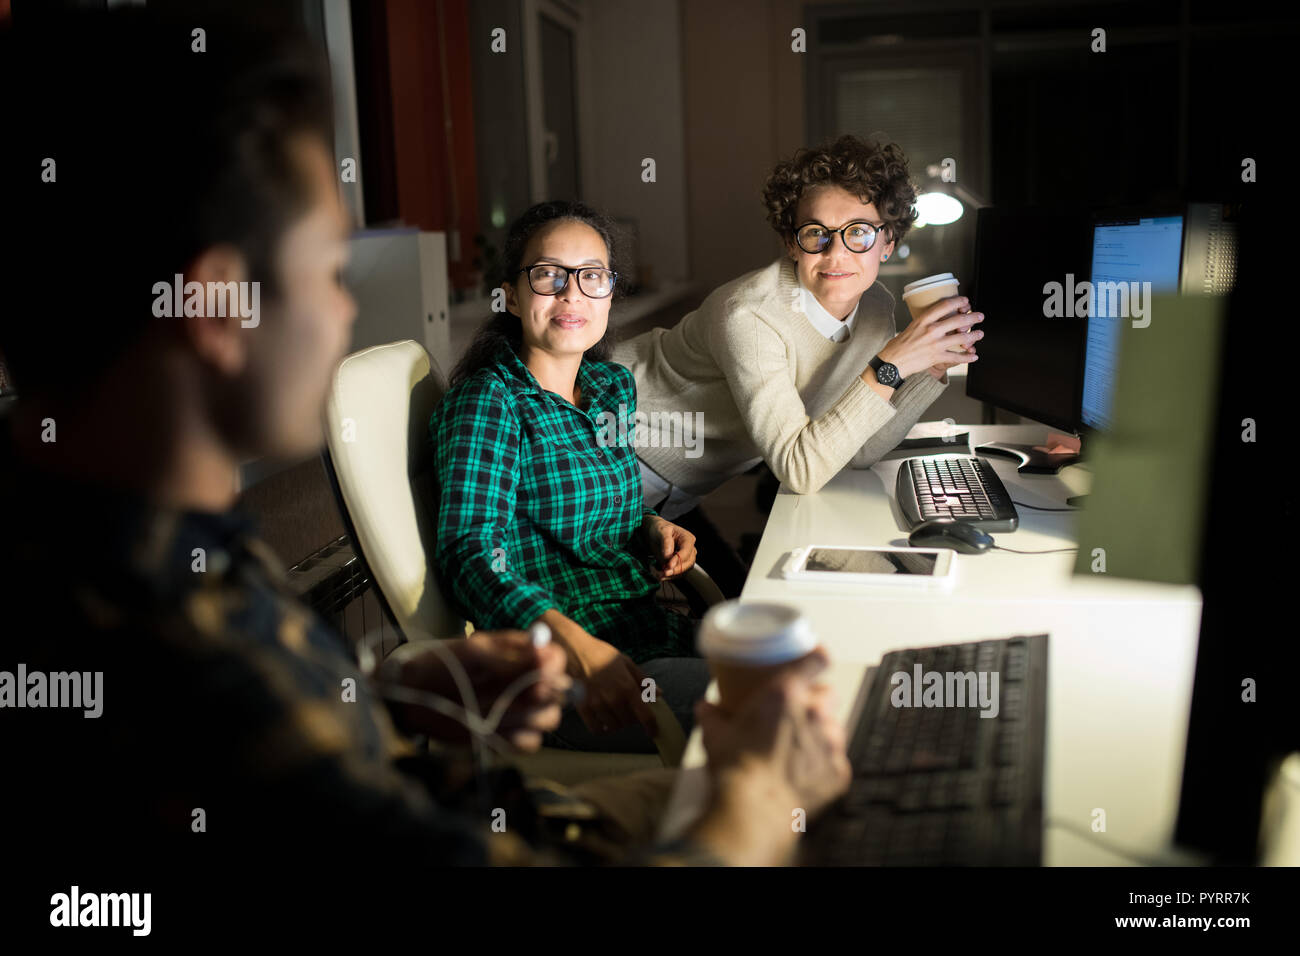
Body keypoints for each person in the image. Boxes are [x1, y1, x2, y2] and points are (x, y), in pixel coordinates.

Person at [0, 8, 849, 891]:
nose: (342, 313)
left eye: (592, 278)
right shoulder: (184, 649)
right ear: (219, 307)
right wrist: (753, 803)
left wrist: (392, 704)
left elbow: (334, 781)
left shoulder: (177, 548)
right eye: (330, 269)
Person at [614, 135, 986, 590]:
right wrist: (891, 361)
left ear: (887, 242)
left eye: (859, 233)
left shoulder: (875, 307)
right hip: (609, 446)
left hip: (684, 485)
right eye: (816, 234)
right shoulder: (749, 314)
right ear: (792, 244)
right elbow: (800, 468)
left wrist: (929, 369)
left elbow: (860, 449)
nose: (836, 254)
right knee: (657, 621)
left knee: (723, 601)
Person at [431, 201, 711, 751]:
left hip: (648, 630)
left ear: (609, 293)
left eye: (592, 276)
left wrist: (651, 526)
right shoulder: (491, 402)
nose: (572, 293)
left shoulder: (610, 387)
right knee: (776, 705)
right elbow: (467, 555)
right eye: (548, 275)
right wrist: (574, 644)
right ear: (510, 295)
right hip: (570, 673)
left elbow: (614, 508)